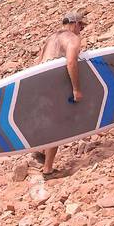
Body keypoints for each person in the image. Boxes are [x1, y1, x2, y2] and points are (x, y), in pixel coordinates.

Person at [33, 11, 86, 177]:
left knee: (49, 120)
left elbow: (37, 62)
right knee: (58, 124)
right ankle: (48, 170)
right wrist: (76, 89)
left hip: (40, 82)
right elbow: (71, 62)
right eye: (81, 26)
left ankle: (41, 150)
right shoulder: (72, 38)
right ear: (75, 23)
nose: (82, 30)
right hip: (53, 84)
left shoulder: (51, 39)